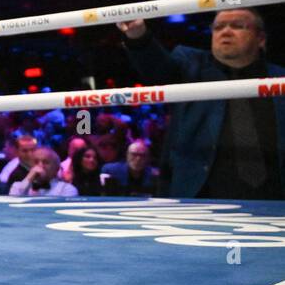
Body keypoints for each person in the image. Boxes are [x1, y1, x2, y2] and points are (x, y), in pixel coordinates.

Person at [118, 10, 283, 199]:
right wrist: (138, 35)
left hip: (273, 199)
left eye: (237, 26)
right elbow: (157, 68)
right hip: (199, 198)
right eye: (218, 27)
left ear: (260, 38)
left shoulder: (280, 79)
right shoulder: (190, 66)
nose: (226, 31)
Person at [8, 147, 78, 197]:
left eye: (46, 162)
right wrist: (29, 178)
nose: (40, 166)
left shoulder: (67, 189)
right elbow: (13, 203)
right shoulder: (17, 186)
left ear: (56, 169)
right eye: (36, 162)